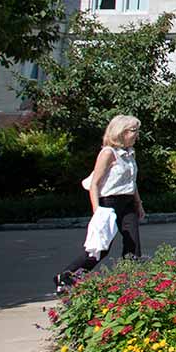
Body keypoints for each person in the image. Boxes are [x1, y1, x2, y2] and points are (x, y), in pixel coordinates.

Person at [57, 114, 145, 292]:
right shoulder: (108, 153)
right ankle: (66, 276)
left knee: (133, 244)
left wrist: (138, 204)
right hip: (108, 203)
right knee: (100, 248)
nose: (137, 135)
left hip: (127, 203)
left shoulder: (130, 153)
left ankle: (130, 283)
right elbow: (94, 184)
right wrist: (97, 211)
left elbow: (131, 182)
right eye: (134, 131)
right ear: (121, 132)